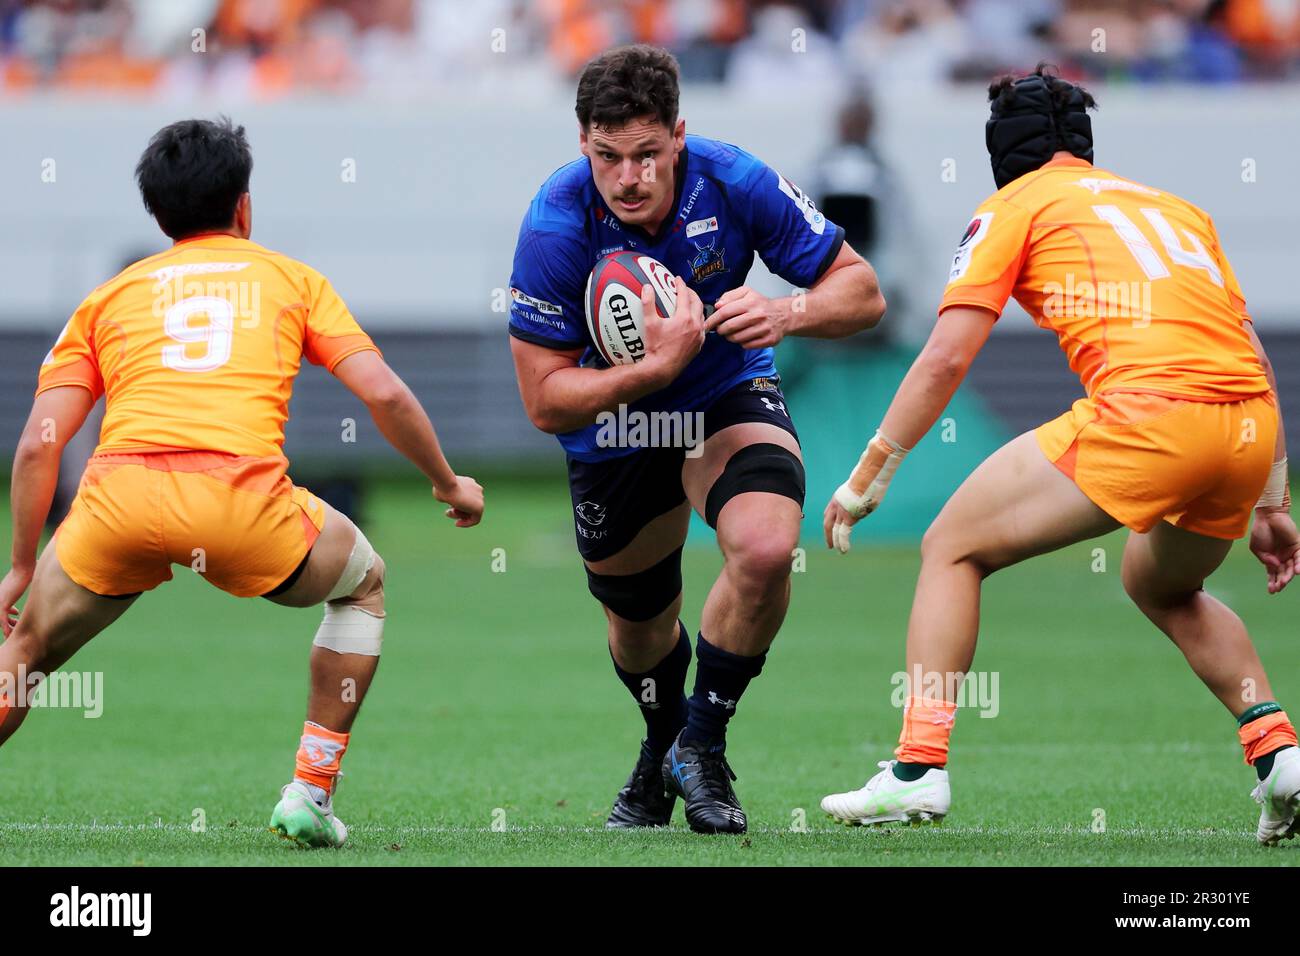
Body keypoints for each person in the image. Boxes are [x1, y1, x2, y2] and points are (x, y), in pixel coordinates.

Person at [819, 66, 1300, 846]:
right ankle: (1279, 754)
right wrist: (1273, 507)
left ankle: (917, 770)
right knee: (1164, 586)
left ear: (1002, 153)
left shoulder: (1014, 204)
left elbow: (945, 358)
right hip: (1246, 430)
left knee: (951, 548)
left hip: (1150, 417)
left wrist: (870, 473)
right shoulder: (1176, 208)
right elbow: (1256, 360)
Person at [0, 117, 484, 848]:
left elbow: (40, 444)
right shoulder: (292, 280)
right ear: (244, 206)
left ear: (158, 216)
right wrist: (448, 483)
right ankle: (310, 793)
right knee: (364, 584)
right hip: (239, 502)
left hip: (117, 501)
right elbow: (384, 395)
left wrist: (21, 565)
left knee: (24, 657)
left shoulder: (107, 299)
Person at [508, 45, 884, 834]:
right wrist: (650, 369)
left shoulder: (735, 178)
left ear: (679, 135)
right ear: (584, 144)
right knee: (639, 628)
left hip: (725, 393)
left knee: (766, 549)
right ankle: (661, 747)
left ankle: (702, 743)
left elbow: (863, 290)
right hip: (618, 425)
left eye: (648, 154)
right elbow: (545, 401)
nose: (629, 177)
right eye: (609, 156)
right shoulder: (554, 222)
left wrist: (789, 313)